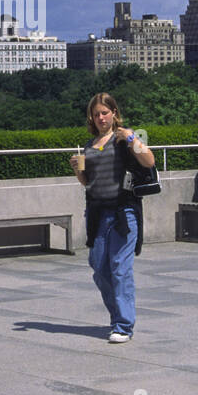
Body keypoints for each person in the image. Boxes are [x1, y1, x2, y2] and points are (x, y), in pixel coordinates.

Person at [70, 93, 155, 344]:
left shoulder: (124, 139)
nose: (101, 118)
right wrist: (78, 170)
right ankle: (118, 316)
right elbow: (88, 183)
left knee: (120, 268)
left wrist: (131, 137)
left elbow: (148, 160)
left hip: (123, 210)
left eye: (105, 113)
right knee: (99, 267)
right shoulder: (89, 145)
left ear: (114, 113)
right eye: (96, 114)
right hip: (97, 212)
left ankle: (123, 325)